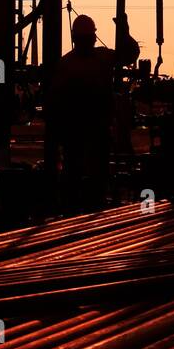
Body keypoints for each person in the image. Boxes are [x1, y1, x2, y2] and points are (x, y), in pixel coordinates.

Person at [47, 12, 139, 212]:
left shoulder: (67, 64)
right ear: (92, 37)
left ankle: (76, 207)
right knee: (90, 173)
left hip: (82, 130)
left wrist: (124, 31)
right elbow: (129, 55)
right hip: (92, 128)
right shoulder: (101, 59)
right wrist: (124, 31)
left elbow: (54, 103)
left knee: (79, 172)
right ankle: (87, 207)